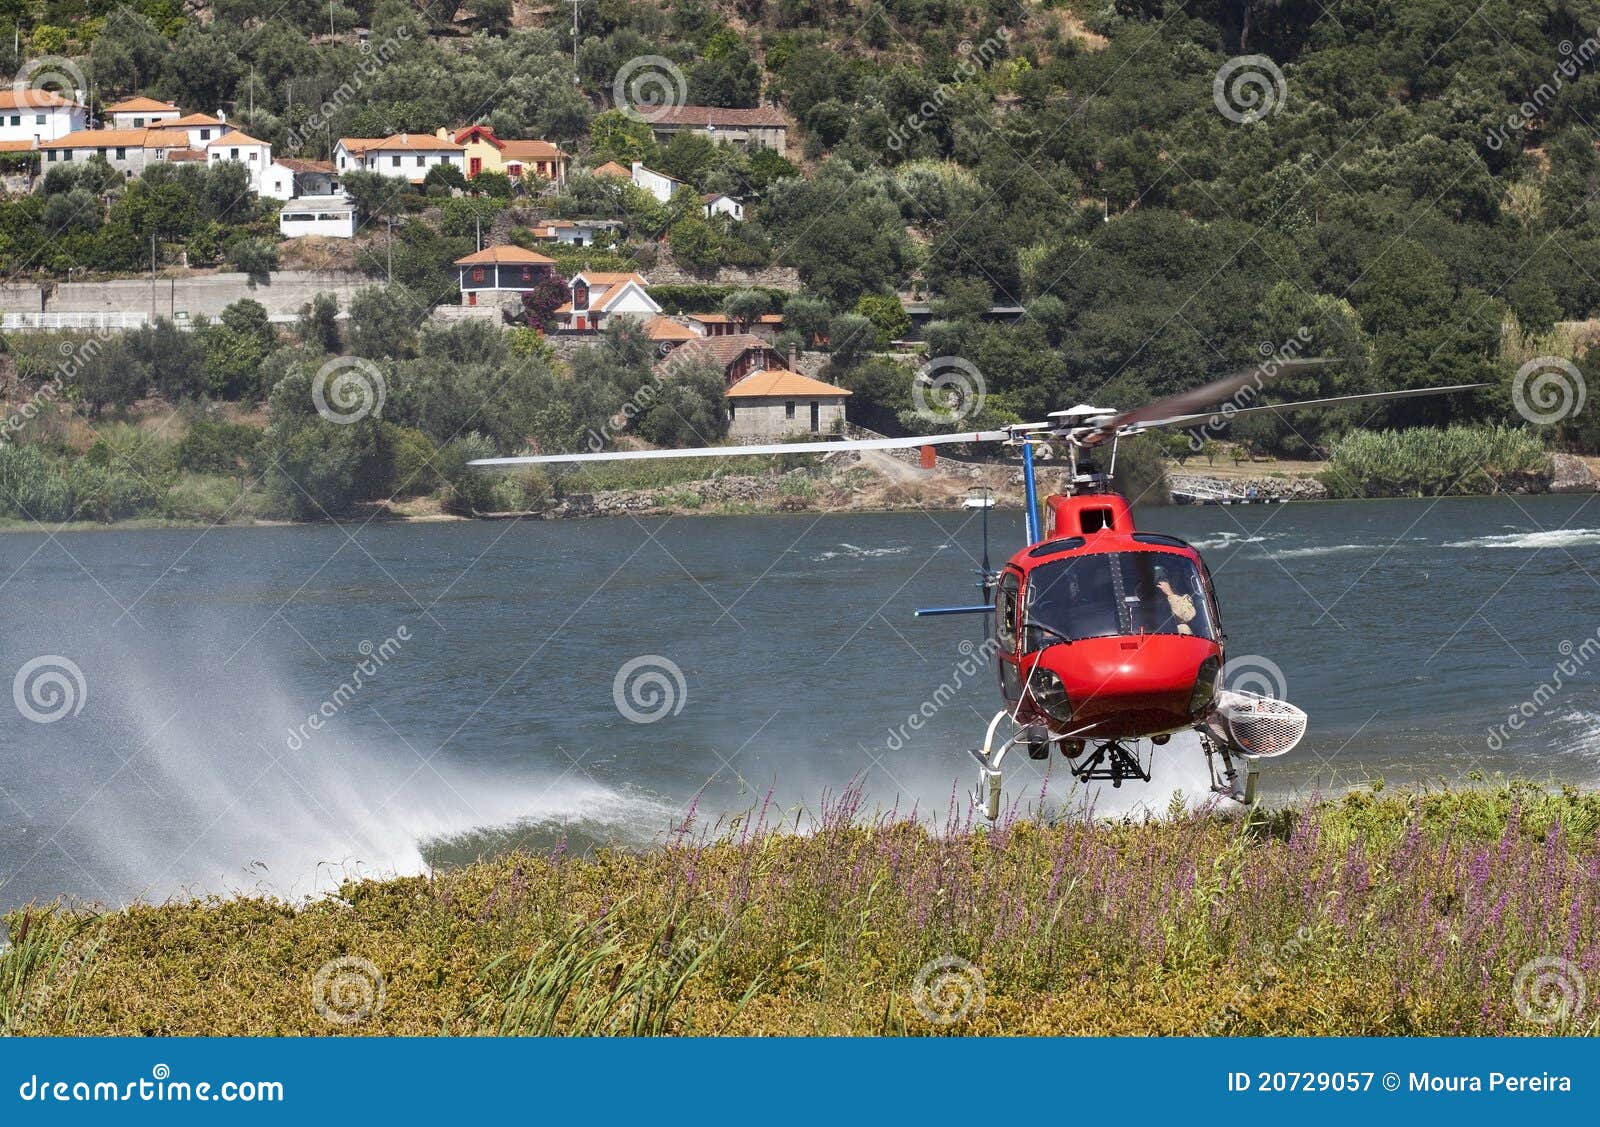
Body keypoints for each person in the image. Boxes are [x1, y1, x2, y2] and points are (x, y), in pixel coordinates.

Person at [1155, 570, 1197, 635]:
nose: (1160, 583)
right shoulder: (1142, 597)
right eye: (1156, 580)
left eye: (1162, 578)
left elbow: (1187, 616)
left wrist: (1170, 594)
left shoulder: (1183, 598)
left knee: (1183, 628)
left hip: (1174, 637)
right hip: (1149, 635)